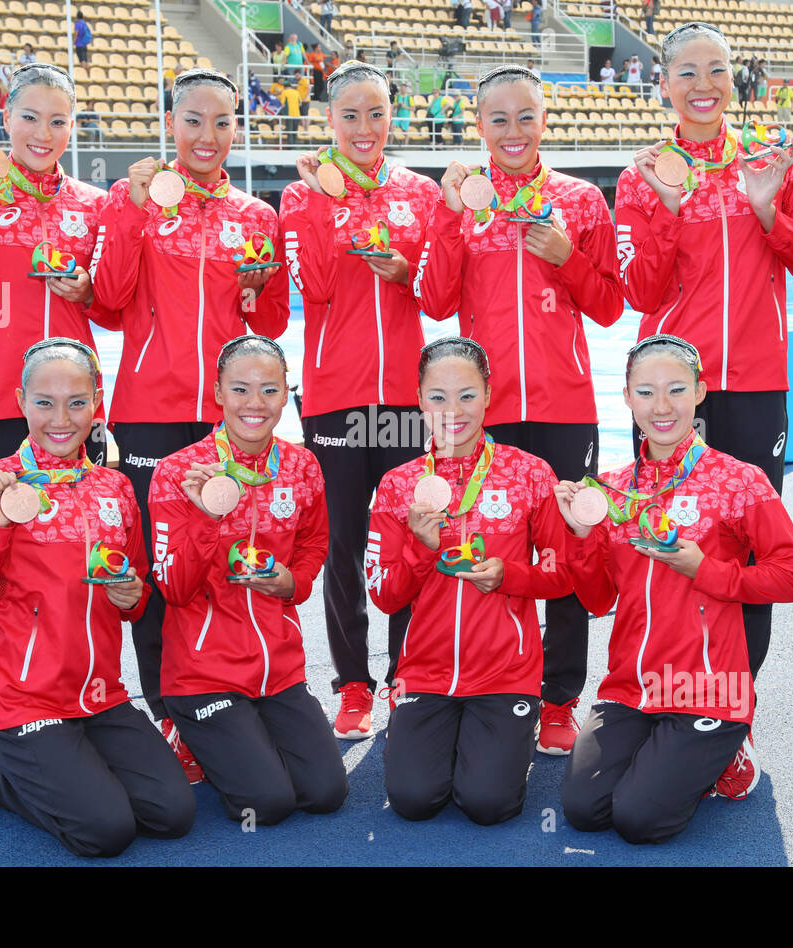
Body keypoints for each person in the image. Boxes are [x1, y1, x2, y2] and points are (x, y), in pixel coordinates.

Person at [415, 64, 624, 755]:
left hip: (564, 408)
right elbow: (436, 301)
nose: (513, 131)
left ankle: (559, 697)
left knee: (566, 548)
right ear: (478, 126)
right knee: (478, 545)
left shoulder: (581, 201)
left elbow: (609, 305)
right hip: (480, 414)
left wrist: (566, 258)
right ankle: (483, 679)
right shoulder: (463, 203)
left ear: (545, 120)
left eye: (525, 116)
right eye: (498, 119)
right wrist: (448, 217)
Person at [614, 22, 793, 684]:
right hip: (671, 396)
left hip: (758, 387)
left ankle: (735, 705)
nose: (703, 85)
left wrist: (770, 214)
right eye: (687, 72)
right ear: (664, 83)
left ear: (734, 78)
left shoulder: (775, 161)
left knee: (749, 548)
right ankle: (669, 686)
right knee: (670, 538)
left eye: (716, 70)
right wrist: (671, 210)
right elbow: (640, 289)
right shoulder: (643, 174)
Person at [91, 68, 289, 780]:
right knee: (156, 566)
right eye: (194, 120)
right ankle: (169, 713)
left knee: (226, 558)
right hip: (149, 414)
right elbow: (107, 299)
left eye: (224, 123)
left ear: (238, 128)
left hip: (230, 423)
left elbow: (269, 324)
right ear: (170, 122)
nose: (209, 137)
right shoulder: (132, 199)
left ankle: (230, 693)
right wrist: (133, 211)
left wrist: (261, 288)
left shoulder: (256, 216)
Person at [0, 337, 194, 857]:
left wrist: (130, 594)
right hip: (19, 701)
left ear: (97, 402)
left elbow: (137, 598)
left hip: (99, 696)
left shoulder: (114, 489)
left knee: (172, 814)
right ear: (20, 401)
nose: (61, 419)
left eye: (77, 402)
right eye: (45, 402)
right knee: (105, 831)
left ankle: (70, 762)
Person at [557, 334, 793, 842]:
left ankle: (731, 752)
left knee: (638, 820)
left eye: (676, 389)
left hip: (707, 688)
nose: (662, 407)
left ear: (700, 391)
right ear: (626, 397)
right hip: (631, 686)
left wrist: (707, 570)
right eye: (646, 392)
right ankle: (665, 747)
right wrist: (582, 539)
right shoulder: (611, 489)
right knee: (584, 810)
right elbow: (598, 600)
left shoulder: (738, 480)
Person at [279, 60, 444, 737]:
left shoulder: (421, 194)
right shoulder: (300, 198)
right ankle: (353, 683)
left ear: (392, 117)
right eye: (350, 114)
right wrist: (326, 197)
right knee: (344, 546)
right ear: (329, 122)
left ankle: (406, 671)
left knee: (404, 542)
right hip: (335, 402)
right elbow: (314, 286)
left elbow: (440, 293)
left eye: (376, 113)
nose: (365, 127)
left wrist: (408, 274)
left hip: (407, 401)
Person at [368, 342, 571, 825]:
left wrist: (510, 575)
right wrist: (420, 549)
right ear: (418, 398)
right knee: (413, 801)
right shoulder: (398, 484)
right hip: (427, 673)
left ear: (488, 396)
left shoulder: (530, 473)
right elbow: (384, 595)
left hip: (506, 671)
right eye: (437, 397)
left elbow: (561, 576)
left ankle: (516, 725)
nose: (452, 412)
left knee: (488, 804)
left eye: (467, 396)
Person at [150, 335, 348, 826]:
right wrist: (205, 518)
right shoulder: (180, 473)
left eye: (269, 390)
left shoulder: (301, 465)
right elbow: (172, 587)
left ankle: (245, 738)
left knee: (327, 793)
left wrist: (292, 583)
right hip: (203, 674)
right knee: (267, 804)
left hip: (278, 670)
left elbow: (314, 545)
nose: (254, 404)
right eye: (240, 389)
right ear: (217, 392)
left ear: (287, 394)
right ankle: (190, 731)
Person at [0, 62, 115, 472]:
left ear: (72, 126)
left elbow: (115, 311)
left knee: (81, 528)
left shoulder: (94, 204)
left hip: (76, 401)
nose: (43, 134)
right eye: (29, 117)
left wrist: (87, 291)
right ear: (7, 117)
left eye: (57, 121)